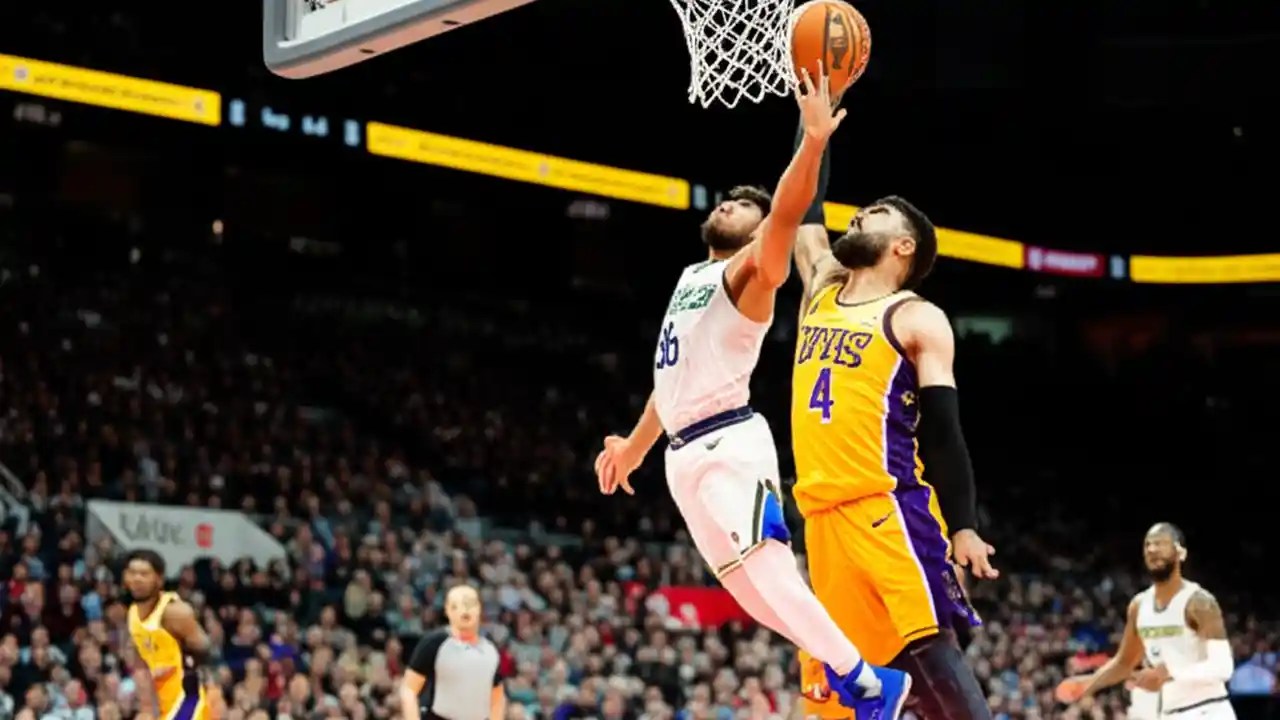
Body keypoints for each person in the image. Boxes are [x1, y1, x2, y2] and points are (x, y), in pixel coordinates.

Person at [593, 65, 910, 720]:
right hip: (683, 452)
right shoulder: (692, 275)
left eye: (743, 206)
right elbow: (669, 383)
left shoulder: (755, 272)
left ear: (763, 229)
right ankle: (851, 671)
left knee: (769, 570)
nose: (727, 205)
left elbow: (789, 210)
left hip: (729, 443)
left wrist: (813, 141)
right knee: (748, 591)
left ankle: (870, 683)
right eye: (727, 200)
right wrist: (634, 447)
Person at [788, 167, 997, 718]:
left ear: (903, 245)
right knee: (838, 689)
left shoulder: (916, 317)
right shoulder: (821, 290)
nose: (858, 215)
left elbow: (943, 431)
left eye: (876, 213)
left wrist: (964, 525)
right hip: (822, 520)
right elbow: (806, 213)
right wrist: (815, 136)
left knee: (931, 648)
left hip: (886, 507)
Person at [1059, 523, 1235, 719]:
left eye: (1160, 543)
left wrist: (1168, 673)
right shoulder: (1139, 605)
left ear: (1181, 553)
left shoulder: (1199, 602)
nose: (1152, 549)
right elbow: (1124, 663)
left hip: (1209, 709)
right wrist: (1088, 684)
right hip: (1169, 713)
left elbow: (1223, 667)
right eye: (1148, 544)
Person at [124, 549, 224, 720]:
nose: (137, 579)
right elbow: (141, 662)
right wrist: (146, 707)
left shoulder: (175, 612)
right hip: (163, 704)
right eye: (132, 573)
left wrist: (214, 696)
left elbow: (208, 653)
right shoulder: (133, 614)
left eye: (144, 574)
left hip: (190, 702)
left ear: (159, 579)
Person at [399, 585, 505, 720]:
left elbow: (497, 697)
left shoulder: (489, 650)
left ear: (479, 609)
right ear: (448, 610)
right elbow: (408, 689)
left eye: (470, 604)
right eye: (457, 606)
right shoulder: (435, 642)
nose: (465, 610)